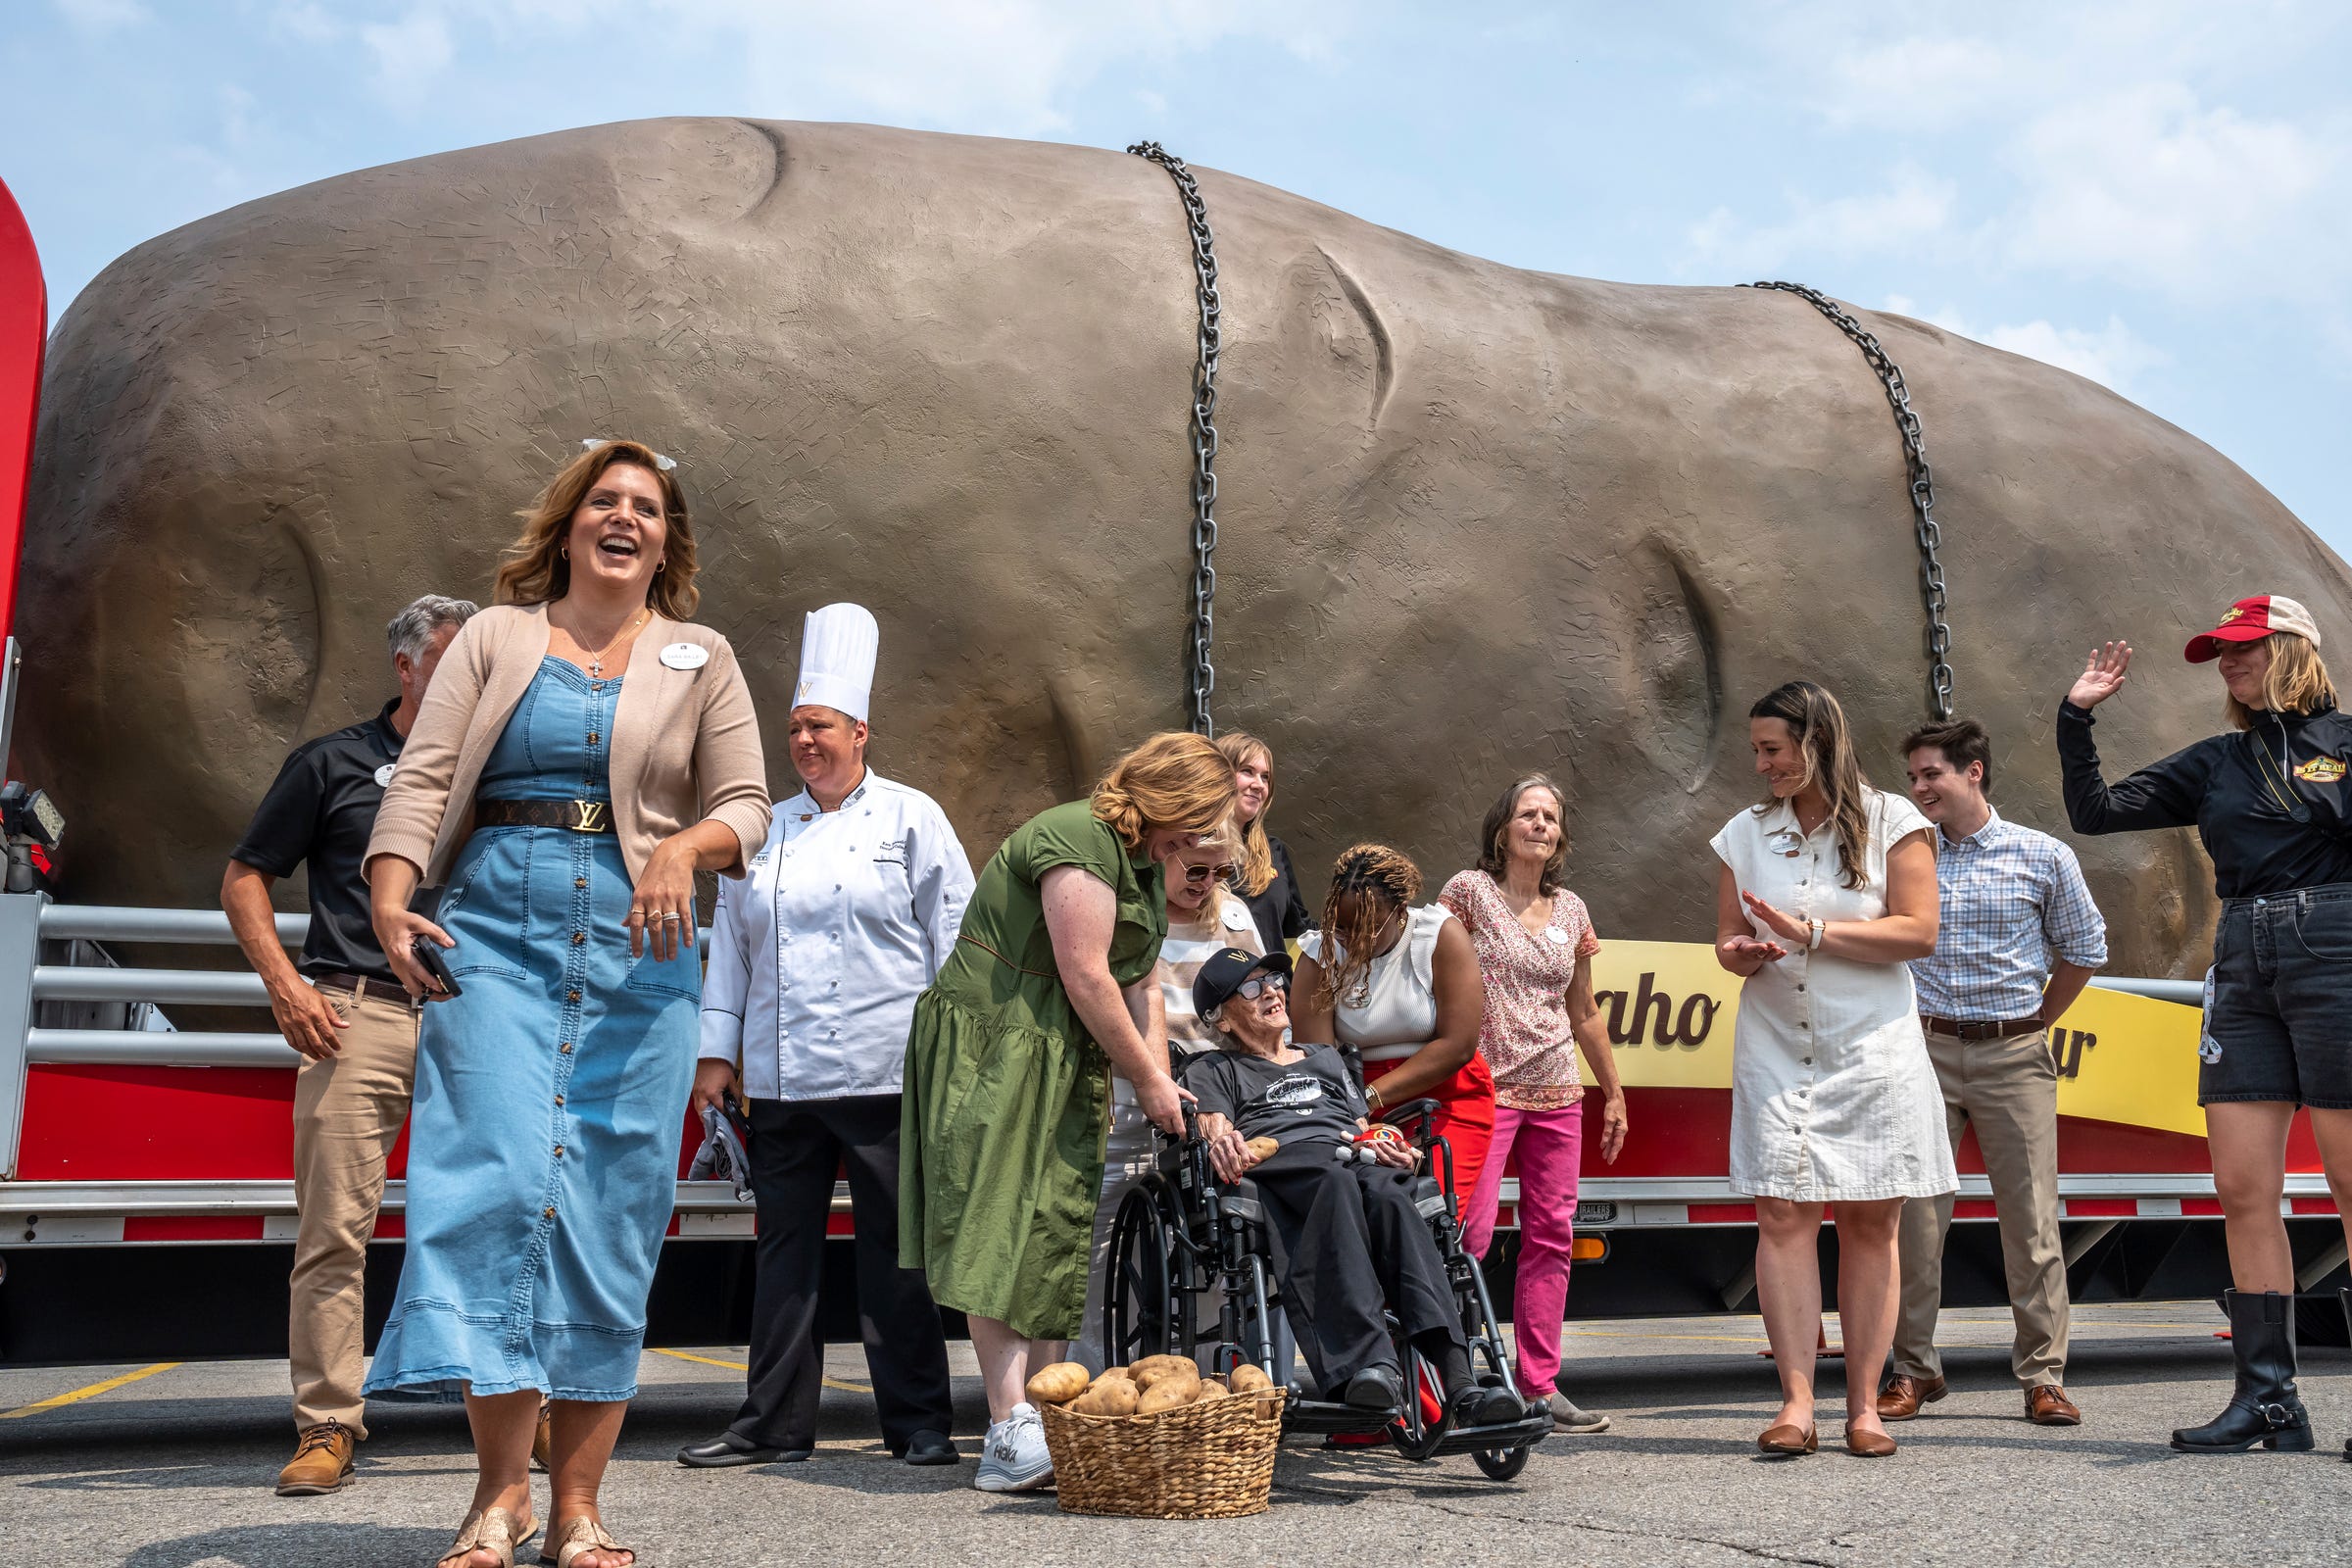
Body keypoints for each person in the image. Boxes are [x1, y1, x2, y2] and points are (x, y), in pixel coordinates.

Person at [364, 439, 771, 1568]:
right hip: (496, 929)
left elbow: (748, 803)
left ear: (667, 541)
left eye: (647, 506)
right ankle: (499, 1494)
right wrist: (392, 899)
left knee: (611, 1205)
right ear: (570, 522)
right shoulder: (496, 636)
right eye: (605, 500)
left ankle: (579, 1506)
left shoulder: (702, 655)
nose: (625, 517)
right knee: (493, 1181)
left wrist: (683, 847)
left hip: (645, 948)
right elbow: (424, 777)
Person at [900, 731, 1234, 1493]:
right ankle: (1006, 1425)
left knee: (1053, 1222)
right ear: (1170, 799)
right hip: (998, 1043)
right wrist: (1144, 1078)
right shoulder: (1078, 837)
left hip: (1061, 1049)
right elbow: (1085, 973)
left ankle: (1044, 1412)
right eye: (1198, 817)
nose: (1200, 836)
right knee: (999, 1223)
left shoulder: (1141, 863)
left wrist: (1157, 1077)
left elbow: (1141, 983)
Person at [2059, 596, 2352, 1457]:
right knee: (2241, 1186)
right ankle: (2269, 1402)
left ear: (2292, 649)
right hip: (2244, 955)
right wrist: (2076, 716)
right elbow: (2097, 811)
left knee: (2348, 1180)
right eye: (2220, 651)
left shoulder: (2347, 743)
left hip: (2337, 945)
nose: (2227, 661)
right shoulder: (2218, 759)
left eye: (2242, 647)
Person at [681, 604, 970, 1471]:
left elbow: (955, 942)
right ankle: (771, 1425)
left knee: (895, 1257)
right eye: (796, 728)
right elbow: (733, 953)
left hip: (889, 1073)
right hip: (783, 1078)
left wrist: (957, 1060)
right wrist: (716, 1055)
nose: (805, 741)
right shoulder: (761, 829)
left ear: (860, 732)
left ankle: (919, 1423)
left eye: (821, 727)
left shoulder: (913, 818)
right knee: (784, 1255)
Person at [222, 593, 475, 1495]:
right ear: (406, 667)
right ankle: (327, 1421)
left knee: (496, 1223)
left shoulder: (495, 773)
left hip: (476, 1019)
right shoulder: (333, 762)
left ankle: (518, 1409)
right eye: (450, 660)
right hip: (357, 1013)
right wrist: (285, 984)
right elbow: (245, 876)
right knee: (334, 1231)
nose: (471, 679)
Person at [1711, 679, 1951, 1459]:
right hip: (1776, 1041)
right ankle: (1796, 1403)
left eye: (1773, 749)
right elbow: (1725, 942)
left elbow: (1919, 933)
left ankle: (1864, 1407)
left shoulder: (1895, 821)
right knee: (1782, 1215)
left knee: (1871, 1221)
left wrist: (1812, 932)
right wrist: (1743, 952)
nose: (1761, 765)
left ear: (1817, 741)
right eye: (1757, 751)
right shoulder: (1743, 833)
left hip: (1871, 1046)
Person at [1185, 948, 1522, 1427]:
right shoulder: (1214, 1069)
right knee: (1336, 1180)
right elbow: (1214, 1127)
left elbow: (1363, 1127)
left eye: (1274, 981)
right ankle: (1370, 1365)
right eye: (1251, 988)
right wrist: (1222, 1141)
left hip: (1348, 1157)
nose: (1273, 993)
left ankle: (1461, 1382)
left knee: (1391, 1194)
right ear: (1221, 1018)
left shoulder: (1324, 1057)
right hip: (1285, 1166)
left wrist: (1390, 1143)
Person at [1883, 717, 2107, 1430]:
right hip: (1923, 1050)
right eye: (1913, 777)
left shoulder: (2041, 854)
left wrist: (2038, 1020)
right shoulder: (1906, 855)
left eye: (1931, 775)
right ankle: (1914, 1370)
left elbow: (2086, 946)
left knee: (2031, 1220)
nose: (1919, 789)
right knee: (1915, 1220)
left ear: (1972, 772)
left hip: (2014, 1052)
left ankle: (2043, 1378)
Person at [1440, 773, 1629, 1435]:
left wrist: (1613, 1093)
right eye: (1528, 814)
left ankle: (1539, 1386)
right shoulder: (1468, 893)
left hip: (1557, 1093)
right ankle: (1453, 1382)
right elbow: (1433, 979)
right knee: (1468, 1233)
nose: (1541, 824)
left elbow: (1584, 1010)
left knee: (1551, 1237)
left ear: (1560, 836)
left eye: (1551, 816)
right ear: (1503, 828)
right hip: (1482, 1090)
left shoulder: (1572, 910)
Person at [1075, 820, 1258, 1369]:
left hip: (1212, 1104)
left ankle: (1210, 1381)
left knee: (1215, 1245)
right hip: (1130, 1095)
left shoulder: (1233, 917)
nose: (1208, 882)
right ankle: (1096, 1379)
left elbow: (1261, 1011)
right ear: (1166, 854)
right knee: (1103, 1254)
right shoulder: (1123, 911)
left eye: (1221, 871)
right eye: (1196, 869)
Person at [1292, 845, 1494, 1209]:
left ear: (1400, 911)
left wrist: (1369, 1098)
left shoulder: (1437, 936)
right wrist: (1358, 1111)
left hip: (1445, 1095)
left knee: (1430, 1209)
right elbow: (1317, 1059)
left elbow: (1459, 1044)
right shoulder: (1320, 954)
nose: (1351, 940)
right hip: (1350, 1098)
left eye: (1366, 929)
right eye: (1342, 928)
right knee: (1360, 1207)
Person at [1218, 730, 1310, 954]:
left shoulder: (1273, 851)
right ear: (1219, 774)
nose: (1259, 784)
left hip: (1271, 976)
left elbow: (1300, 929)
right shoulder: (1191, 847)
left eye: (1265, 777)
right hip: (1210, 975)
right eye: (1247, 771)